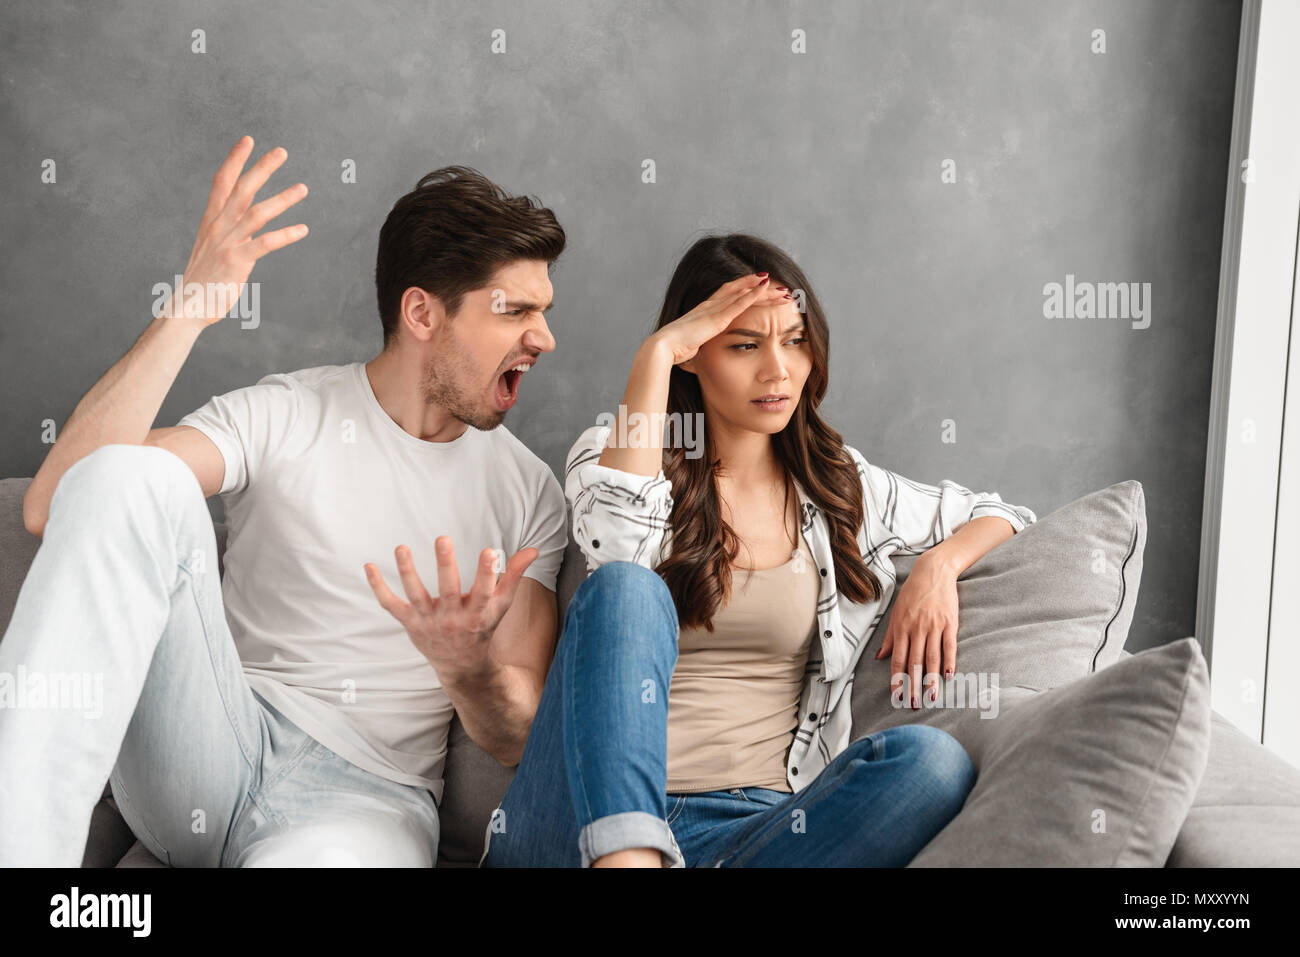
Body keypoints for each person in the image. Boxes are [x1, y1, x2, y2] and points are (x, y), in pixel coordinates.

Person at [0, 136, 569, 867]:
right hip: (209, 745)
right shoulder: (285, 413)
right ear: (423, 315)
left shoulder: (528, 495)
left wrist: (464, 668)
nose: (544, 337)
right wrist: (194, 306)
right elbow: (61, 502)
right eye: (516, 310)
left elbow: (519, 734)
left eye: (544, 310)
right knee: (131, 476)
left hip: (363, 801)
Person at [481, 233, 1037, 867]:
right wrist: (657, 354)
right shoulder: (612, 452)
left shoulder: (839, 488)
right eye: (745, 346)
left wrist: (939, 567)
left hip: (748, 830)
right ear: (692, 356)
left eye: (794, 340)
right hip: (578, 822)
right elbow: (620, 552)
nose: (777, 370)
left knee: (932, 763)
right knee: (628, 590)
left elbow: (1005, 513)